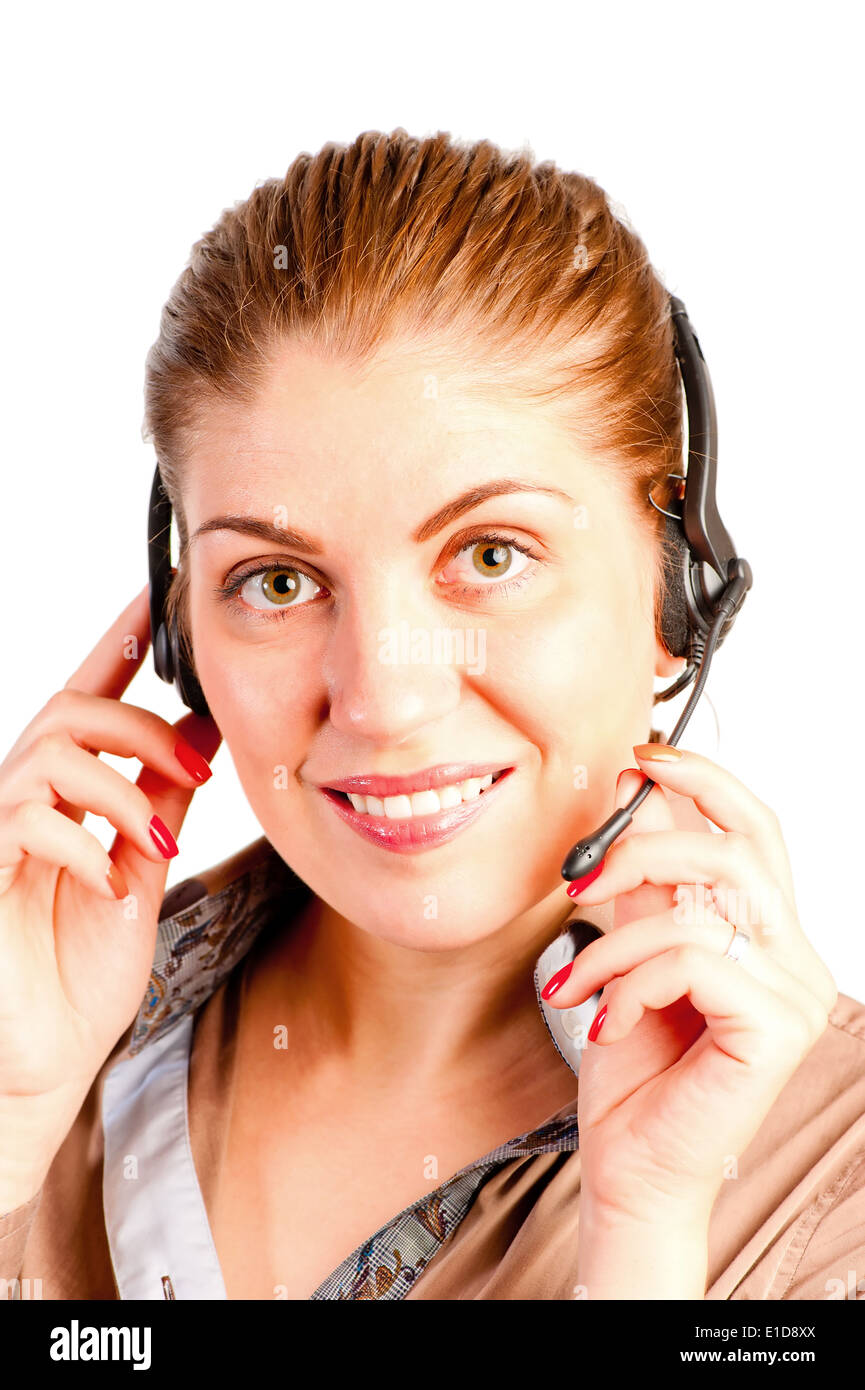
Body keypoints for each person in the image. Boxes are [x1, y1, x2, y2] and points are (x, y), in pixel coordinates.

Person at [2, 128, 864, 1302]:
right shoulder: (43, 1028)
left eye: (491, 554)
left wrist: (647, 1237)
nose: (385, 697)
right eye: (278, 581)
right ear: (181, 636)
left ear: (676, 591)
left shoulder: (835, 1178)